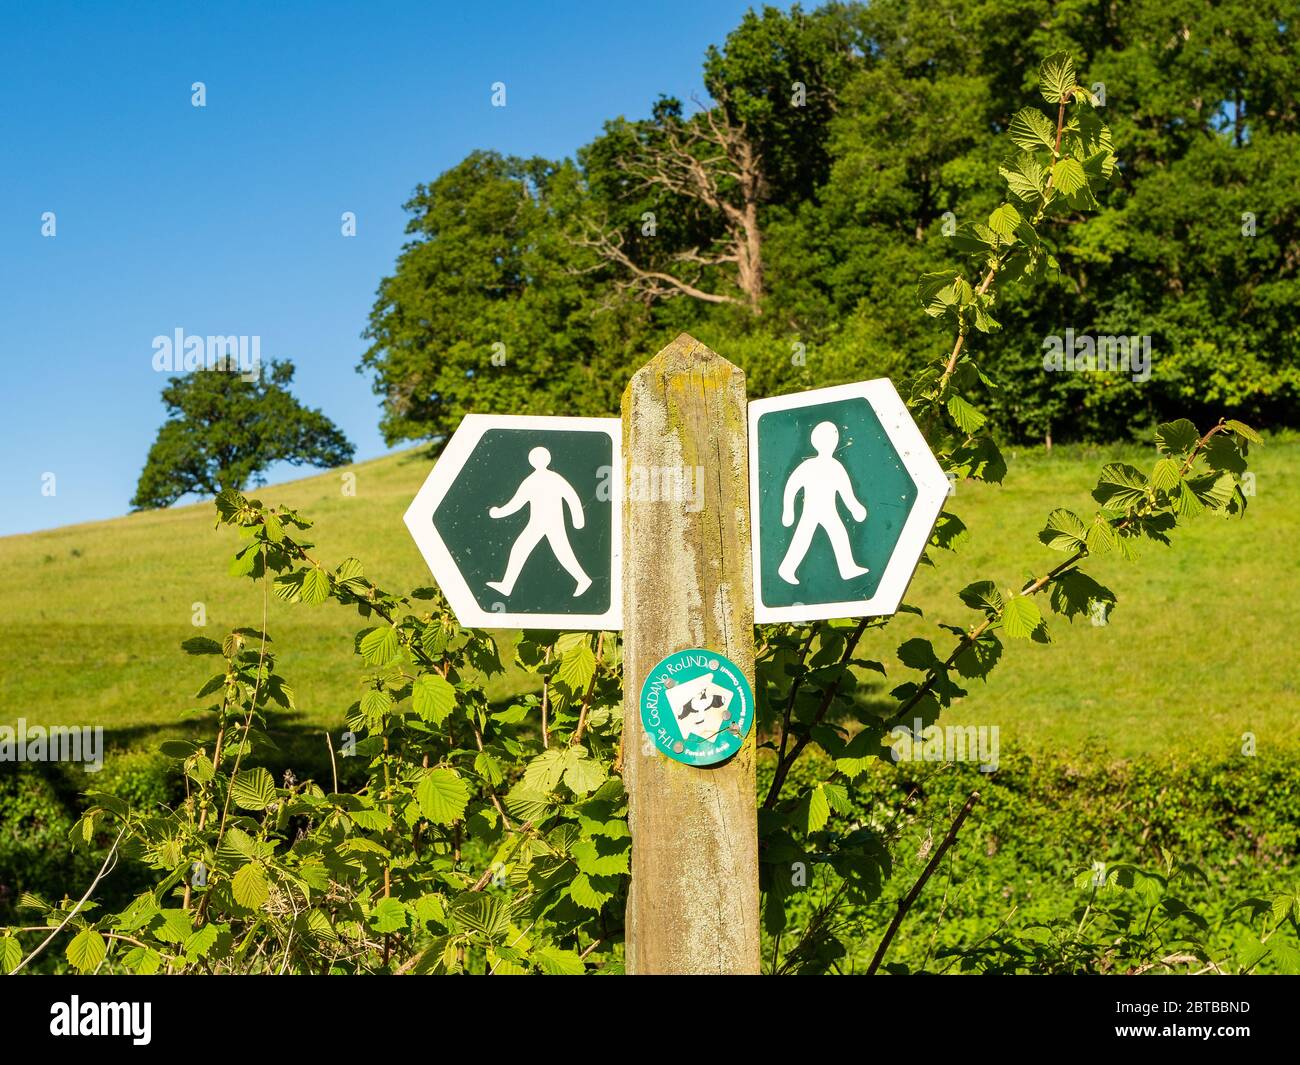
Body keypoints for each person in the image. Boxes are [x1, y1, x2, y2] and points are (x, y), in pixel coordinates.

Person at [486, 446, 592, 597]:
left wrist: (578, 518)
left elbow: (571, 496)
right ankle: (507, 585)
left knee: (562, 553)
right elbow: (517, 502)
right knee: (520, 549)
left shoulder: (546, 479)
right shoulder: (533, 481)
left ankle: (583, 579)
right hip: (537, 523)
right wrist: (499, 513)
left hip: (552, 523)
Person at [777, 421, 870, 585]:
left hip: (829, 511)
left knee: (839, 534)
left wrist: (855, 507)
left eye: (833, 437)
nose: (832, 442)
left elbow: (846, 492)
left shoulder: (836, 467)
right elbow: (791, 487)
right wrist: (788, 511)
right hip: (811, 511)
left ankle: (847, 568)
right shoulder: (809, 466)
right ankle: (786, 569)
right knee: (803, 538)